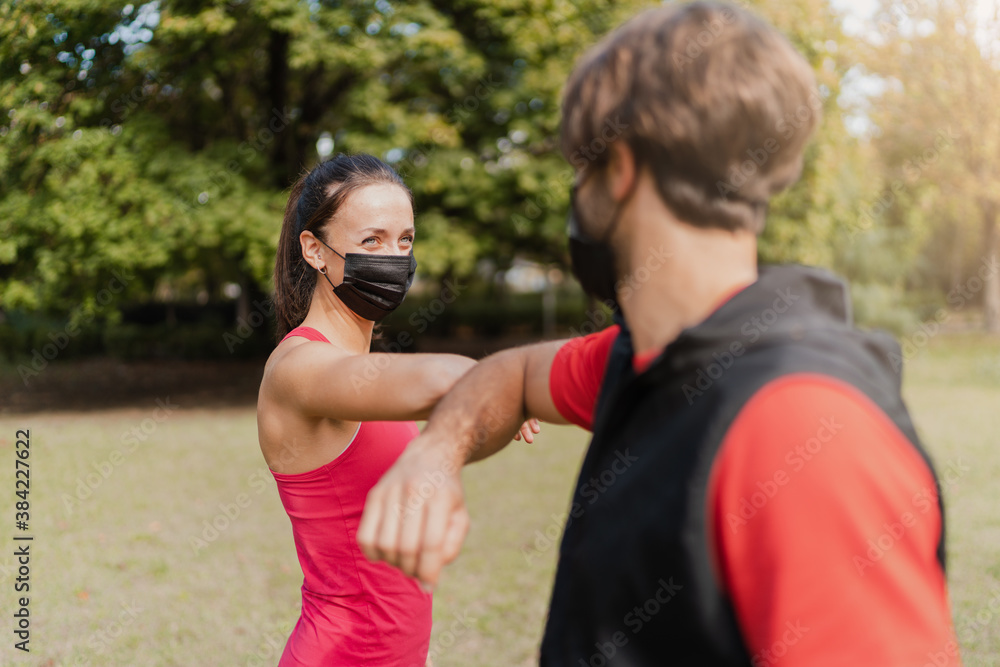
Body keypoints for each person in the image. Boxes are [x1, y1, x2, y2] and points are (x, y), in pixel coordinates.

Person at [356, 3, 963, 666]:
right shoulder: (647, 357)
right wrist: (435, 453)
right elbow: (516, 374)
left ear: (620, 169)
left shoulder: (801, 423)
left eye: (580, 170)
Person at [256, 153, 538, 666]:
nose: (394, 257)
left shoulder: (364, 373)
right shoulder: (299, 368)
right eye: (372, 240)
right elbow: (438, 379)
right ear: (315, 251)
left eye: (404, 240)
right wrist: (505, 379)